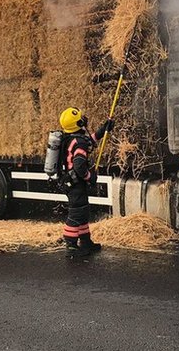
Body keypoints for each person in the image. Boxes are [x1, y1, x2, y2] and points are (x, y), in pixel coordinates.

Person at [57, 107, 113, 259]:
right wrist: (90, 177)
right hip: (75, 183)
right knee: (76, 212)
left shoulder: (71, 138)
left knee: (82, 211)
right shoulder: (79, 143)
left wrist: (103, 129)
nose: (85, 118)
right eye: (82, 117)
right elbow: (80, 166)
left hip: (71, 182)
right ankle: (71, 244)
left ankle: (86, 241)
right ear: (79, 122)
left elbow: (90, 140)